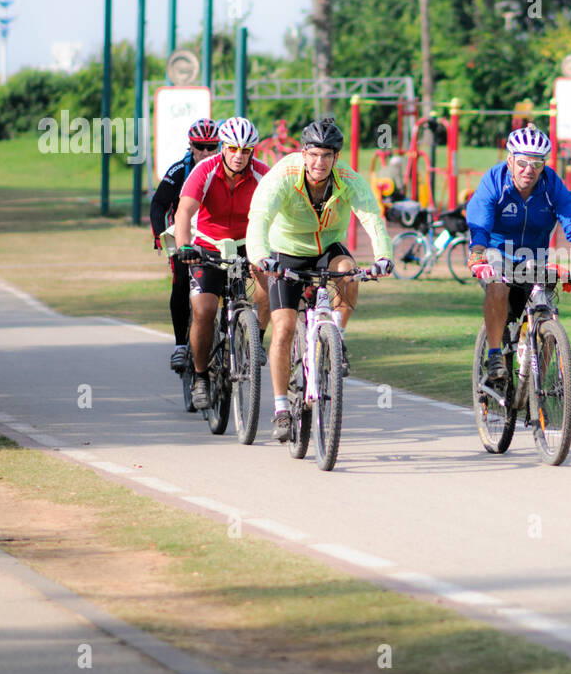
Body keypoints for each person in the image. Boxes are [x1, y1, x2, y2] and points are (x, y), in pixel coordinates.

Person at [246, 117, 395, 442]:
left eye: (327, 156)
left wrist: (383, 257)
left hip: (328, 247)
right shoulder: (284, 175)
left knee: (349, 272)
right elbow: (259, 216)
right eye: (313, 154)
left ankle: (335, 340)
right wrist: (260, 255)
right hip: (284, 252)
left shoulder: (347, 179)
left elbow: (371, 216)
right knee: (283, 329)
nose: (319, 162)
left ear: (336, 158)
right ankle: (282, 409)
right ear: (303, 153)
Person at [465, 125, 571, 383]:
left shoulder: (551, 184)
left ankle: (536, 389)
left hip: (534, 260)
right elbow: (480, 226)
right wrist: (478, 257)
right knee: (498, 287)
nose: (528, 170)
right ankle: (496, 354)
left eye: (537, 163)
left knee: (547, 311)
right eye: (522, 162)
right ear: (510, 160)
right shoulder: (494, 181)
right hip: (497, 255)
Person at [173, 116, 272, 411]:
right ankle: (201, 376)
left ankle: (256, 341)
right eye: (232, 149)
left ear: (252, 151)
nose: (238, 156)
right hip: (208, 246)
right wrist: (183, 247)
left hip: (248, 244)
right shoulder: (205, 170)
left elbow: (280, 213)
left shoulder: (263, 174)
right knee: (204, 310)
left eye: (245, 150)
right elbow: (183, 212)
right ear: (223, 147)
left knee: (269, 287)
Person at [150, 118, 219, 373]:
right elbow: (158, 204)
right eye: (200, 146)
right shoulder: (180, 169)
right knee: (180, 279)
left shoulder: (226, 168)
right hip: (185, 231)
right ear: (191, 146)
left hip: (215, 233)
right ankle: (181, 345)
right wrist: (159, 235)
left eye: (212, 147)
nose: (206, 152)